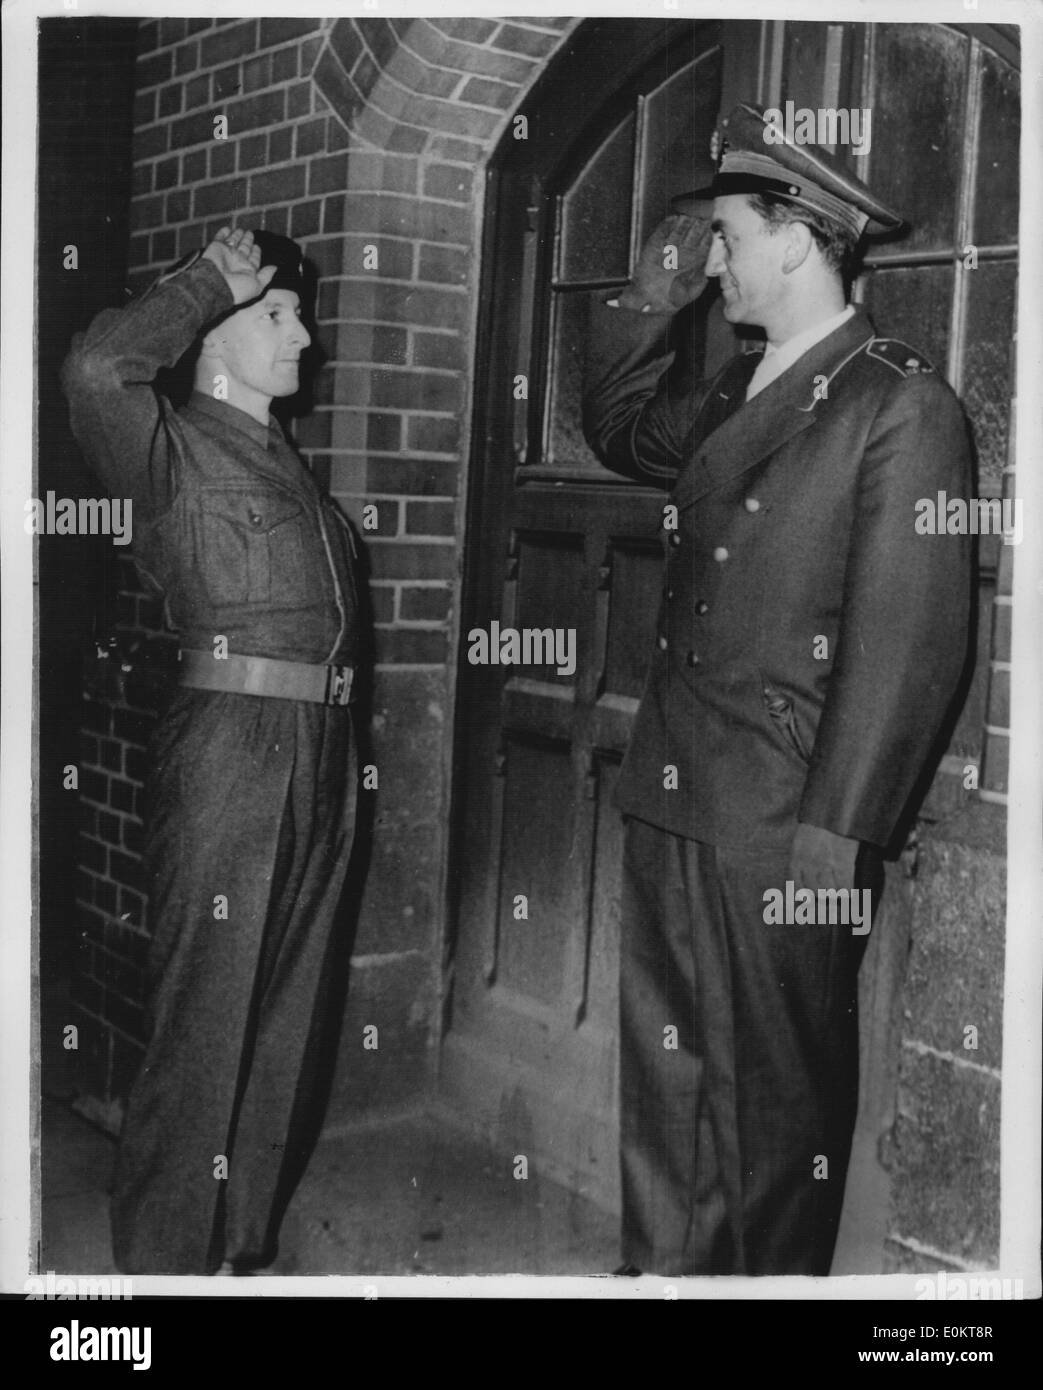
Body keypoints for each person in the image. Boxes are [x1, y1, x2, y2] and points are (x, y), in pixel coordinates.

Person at [583, 103, 972, 1276]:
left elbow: (906, 644)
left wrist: (834, 837)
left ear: (798, 242)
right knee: (665, 1101)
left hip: (780, 828)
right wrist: (662, 273)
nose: (718, 264)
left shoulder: (896, 402)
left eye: (731, 239)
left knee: (766, 1126)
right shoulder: (733, 392)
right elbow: (612, 427)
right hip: (673, 800)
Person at [62, 226, 362, 1275]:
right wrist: (205, 282)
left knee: (288, 1009)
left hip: (322, 746)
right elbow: (97, 367)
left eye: (297, 312)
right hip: (234, 747)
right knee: (206, 1018)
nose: (306, 336)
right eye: (276, 314)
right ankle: (159, 1272)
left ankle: (238, 1252)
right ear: (213, 339)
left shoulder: (288, 466)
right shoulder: (169, 450)